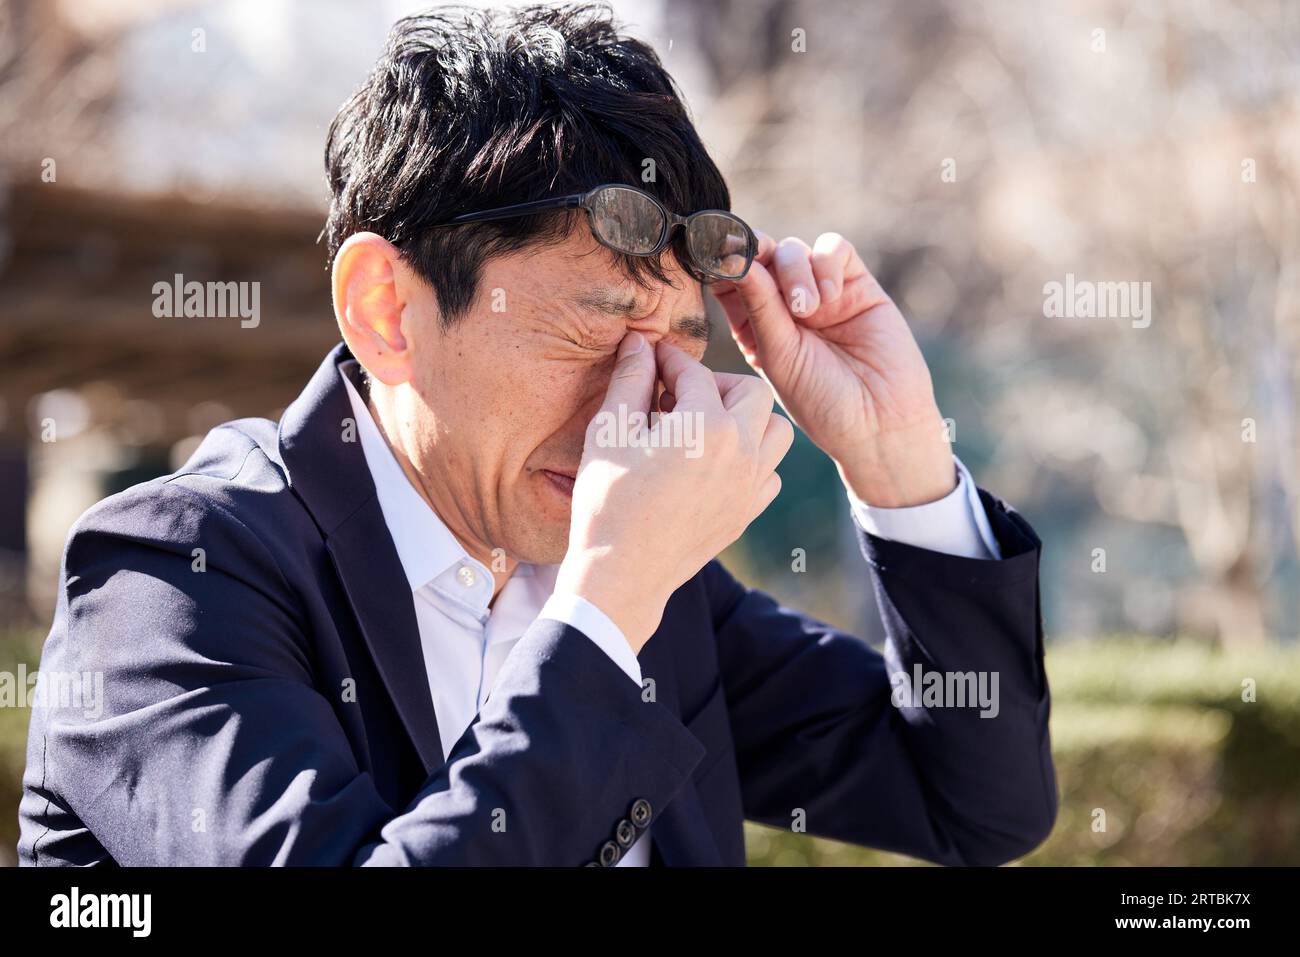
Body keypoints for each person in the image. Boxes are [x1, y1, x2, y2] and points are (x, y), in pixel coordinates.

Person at [19, 3, 1056, 867]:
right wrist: (606, 606)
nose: (640, 413)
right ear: (387, 310)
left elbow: (971, 802)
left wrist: (896, 458)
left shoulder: (648, 589)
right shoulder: (164, 582)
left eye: (678, 349)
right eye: (597, 330)